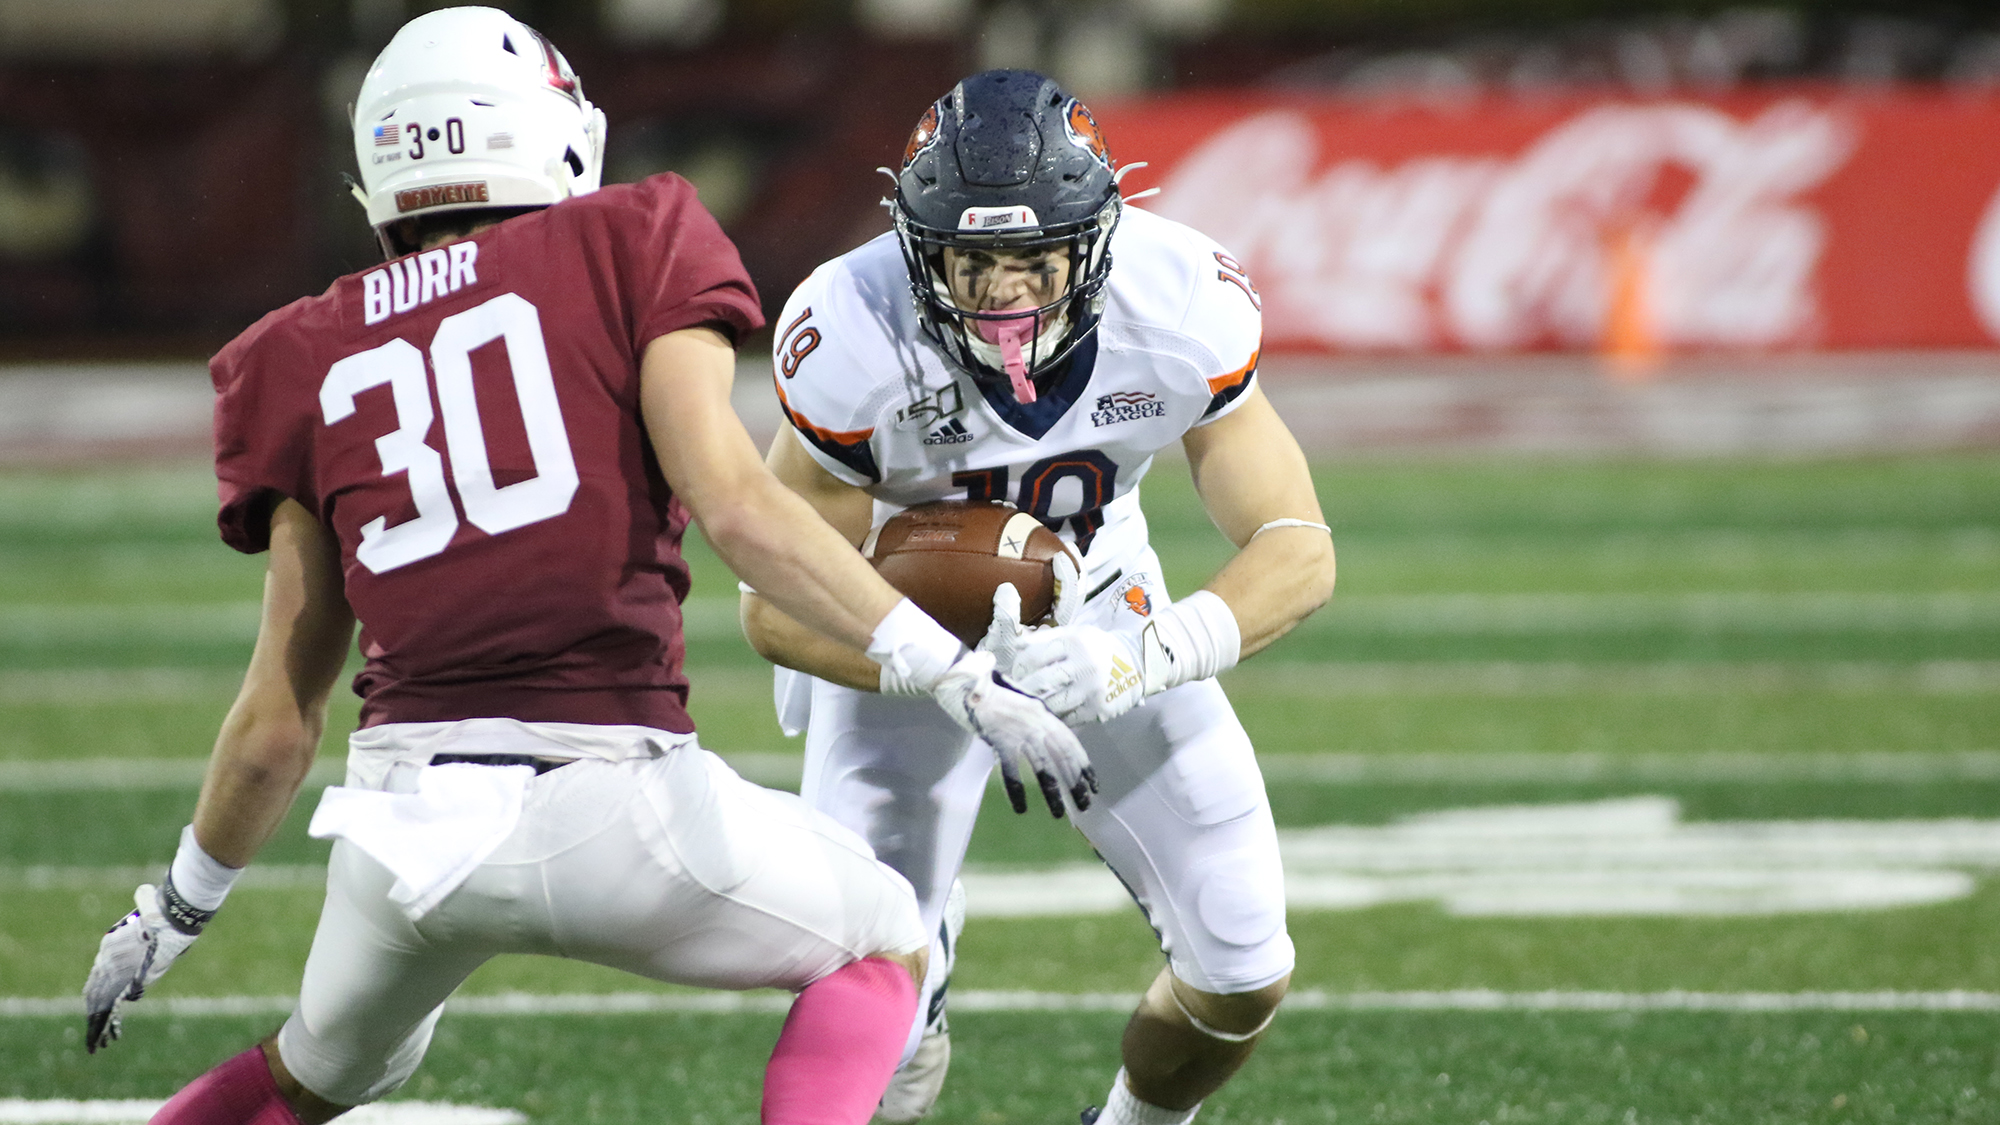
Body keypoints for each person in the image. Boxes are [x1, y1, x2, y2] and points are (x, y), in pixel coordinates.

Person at [80, 14, 1093, 1125]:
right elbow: (738, 507)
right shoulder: (632, 237)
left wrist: (174, 910)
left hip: (403, 830)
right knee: (887, 944)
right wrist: (952, 674)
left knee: (304, 1081)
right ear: (553, 133)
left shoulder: (295, 353)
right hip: (614, 797)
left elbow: (280, 714)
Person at [740, 70, 1336, 1125]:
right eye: (970, 261)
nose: (1001, 294)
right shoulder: (852, 326)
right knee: (872, 1011)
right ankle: (917, 999)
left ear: (1096, 240)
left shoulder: (1178, 300)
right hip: (901, 633)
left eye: (1029, 260)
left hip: (1101, 608)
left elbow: (1296, 548)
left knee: (1241, 968)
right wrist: (951, 676)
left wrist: (1139, 657)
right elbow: (774, 607)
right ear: (921, 247)